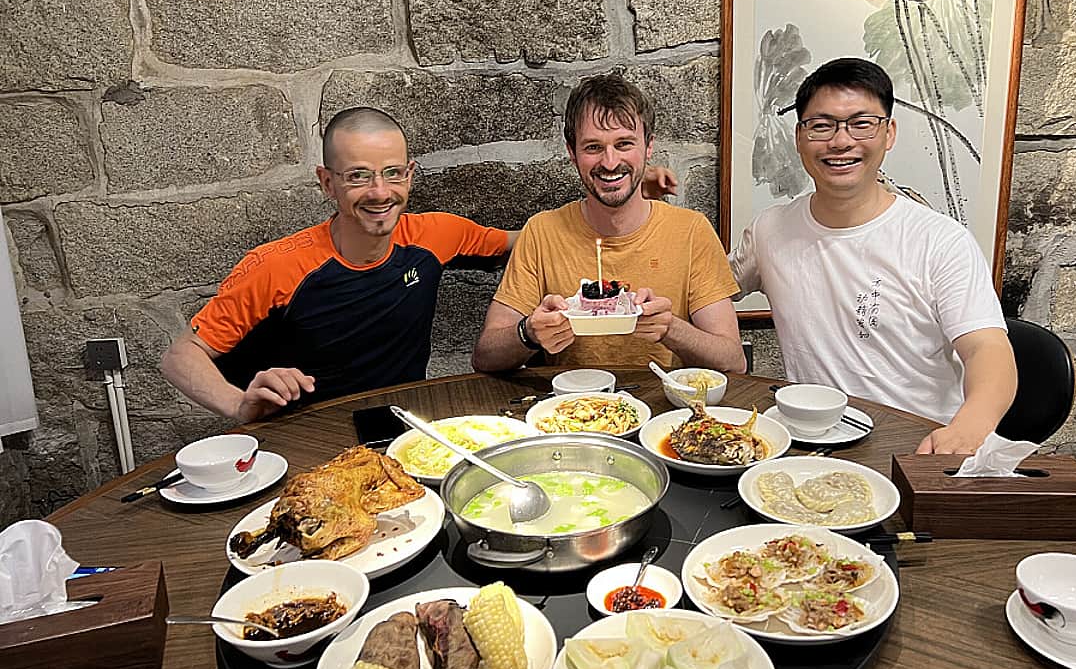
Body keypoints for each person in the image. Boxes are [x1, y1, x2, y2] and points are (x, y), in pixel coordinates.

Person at [161, 107, 678, 423]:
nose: (379, 192)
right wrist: (239, 405)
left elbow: (541, 238)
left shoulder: (435, 235)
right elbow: (181, 356)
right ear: (326, 182)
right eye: (358, 176)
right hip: (300, 431)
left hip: (400, 423)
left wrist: (624, 193)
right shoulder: (276, 266)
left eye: (392, 173)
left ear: (409, 175)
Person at [728, 58, 1016, 454]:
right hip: (814, 443)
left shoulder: (940, 240)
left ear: (889, 133)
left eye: (861, 123)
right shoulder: (769, 230)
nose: (840, 141)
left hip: (919, 446)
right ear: (799, 136)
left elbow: (987, 348)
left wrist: (970, 428)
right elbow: (705, 292)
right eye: (821, 125)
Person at [472, 73, 746, 374]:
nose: (610, 162)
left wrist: (671, 328)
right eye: (593, 147)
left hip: (664, 404)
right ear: (572, 153)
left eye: (624, 143)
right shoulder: (541, 232)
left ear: (648, 146)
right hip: (570, 402)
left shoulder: (691, 231)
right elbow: (485, 356)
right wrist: (528, 333)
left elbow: (733, 360)